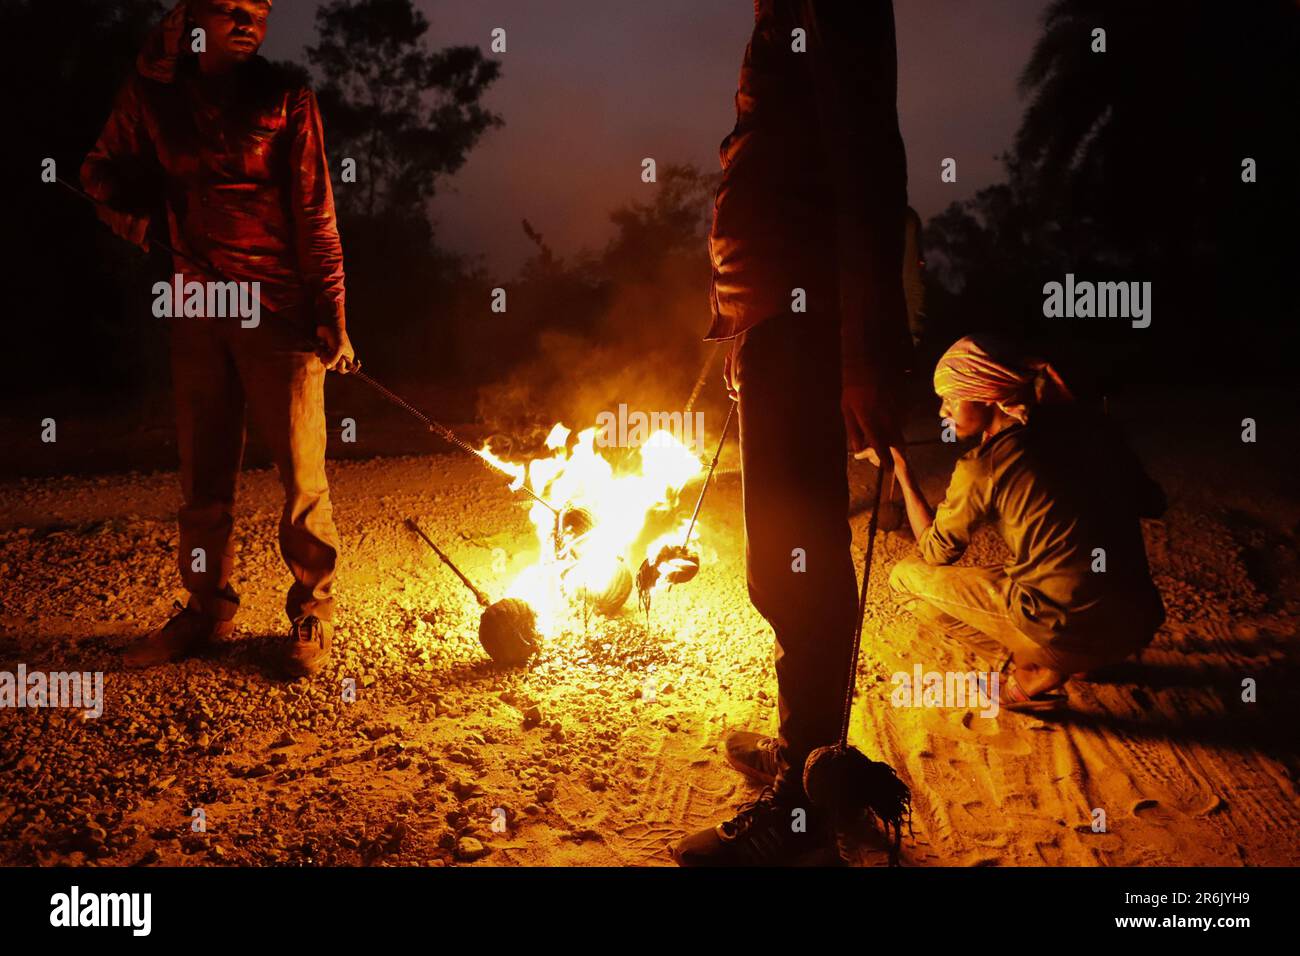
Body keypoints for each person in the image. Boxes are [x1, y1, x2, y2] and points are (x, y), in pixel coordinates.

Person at [672, 0, 913, 866]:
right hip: (784, 320)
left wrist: (858, 352)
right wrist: (746, 326)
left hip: (813, 322)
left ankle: (806, 810)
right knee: (786, 554)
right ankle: (811, 750)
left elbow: (863, 167)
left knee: (793, 552)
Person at [81, 0, 355, 677]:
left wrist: (332, 314)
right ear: (191, 18)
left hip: (279, 312)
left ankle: (313, 611)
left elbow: (316, 211)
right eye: (229, 7)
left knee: (301, 475)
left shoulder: (286, 98)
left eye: (258, 9)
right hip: (198, 304)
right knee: (203, 478)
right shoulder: (153, 96)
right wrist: (147, 228)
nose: (248, 19)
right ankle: (206, 608)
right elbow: (97, 171)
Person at [887, 335, 1166, 710]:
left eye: (951, 398)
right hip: (1138, 624)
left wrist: (902, 471)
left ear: (985, 393)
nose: (942, 411)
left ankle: (1035, 668)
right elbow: (1153, 502)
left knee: (904, 578)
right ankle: (1084, 661)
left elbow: (934, 552)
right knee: (1030, 570)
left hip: (1064, 631)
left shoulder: (986, 465)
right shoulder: (1093, 431)